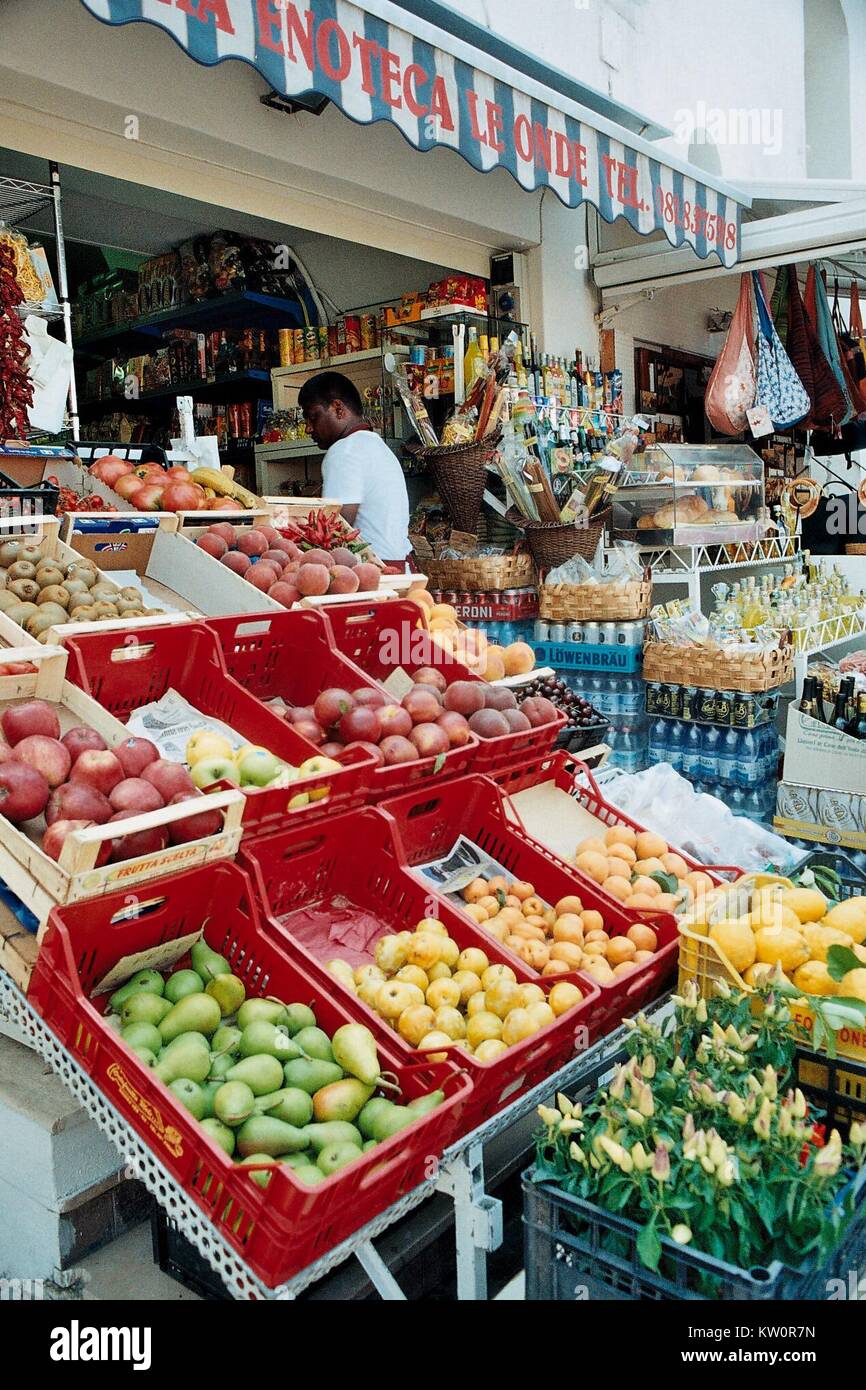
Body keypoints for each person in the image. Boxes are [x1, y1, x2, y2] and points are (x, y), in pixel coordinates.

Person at [298, 370, 411, 568]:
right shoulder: (376, 446)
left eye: (313, 417)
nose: (308, 428)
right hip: (399, 567)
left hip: (372, 571)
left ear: (338, 408)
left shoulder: (344, 451)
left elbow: (335, 531)